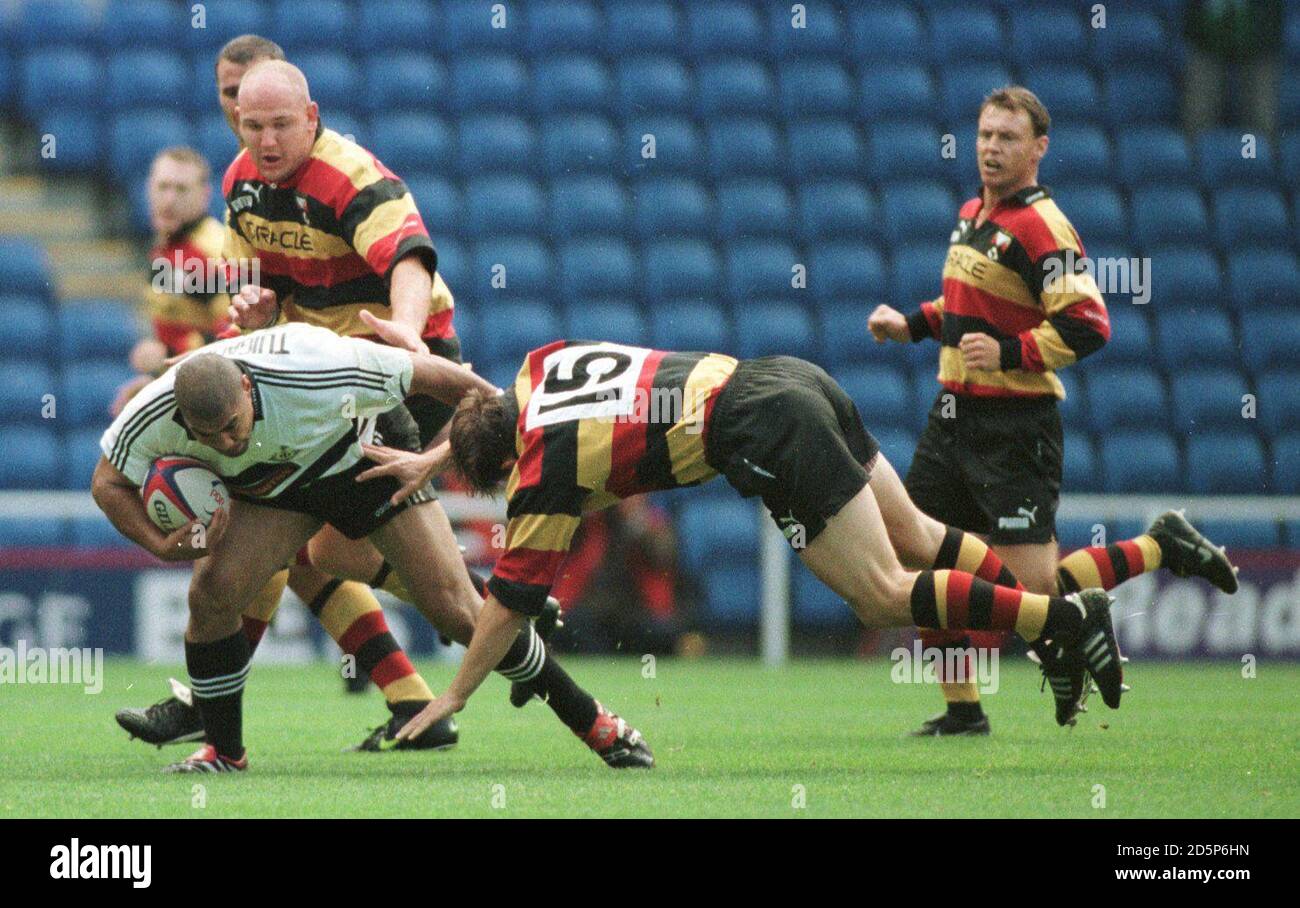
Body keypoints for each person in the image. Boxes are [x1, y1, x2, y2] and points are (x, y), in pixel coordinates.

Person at [355, 339, 1127, 747]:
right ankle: (1057, 632)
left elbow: (511, 604)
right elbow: (483, 402)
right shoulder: (535, 370)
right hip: (787, 376)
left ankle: (1064, 623)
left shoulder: (544, 474)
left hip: (758, 431)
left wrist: (454, 693)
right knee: (921, 535)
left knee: (880, 594)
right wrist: (433, 454)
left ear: (506, 467)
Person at [92, 323, 652, 773]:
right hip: (282, 486)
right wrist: (162, 546)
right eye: (206, 436)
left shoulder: (322, 366)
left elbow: (471, 390)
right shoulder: (157, 408)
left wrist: (434, 459)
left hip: (368, 453)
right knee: (212, 593)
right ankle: (224, 752)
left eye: (232, 427)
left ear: (245, 386)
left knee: (461, 613)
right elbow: (107, 484)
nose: (225, 443)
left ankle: (596, 723)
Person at [114, 36, 463, 754]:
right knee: (311, 550)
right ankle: (413, 691)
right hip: (310, 391)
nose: (252, 121)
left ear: (305, 112)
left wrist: (402, 329)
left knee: (290, 540)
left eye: (272, 113)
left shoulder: (338, 175)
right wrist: (256, 311)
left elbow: (407, 253)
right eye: (235, 103)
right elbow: (258, 304)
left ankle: (209, 704)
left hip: (387, 373)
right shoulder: (240, 193)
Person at [867, 86, 1239, 735]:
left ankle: (1160, 544)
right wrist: (913, 324)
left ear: (1038, 149)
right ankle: (964, 710)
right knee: (919, 560)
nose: (990, 148)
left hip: (1015, 425)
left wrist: (1009, 351)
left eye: (1006, 138)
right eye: (985, 135)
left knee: (1030, 586)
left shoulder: (1044, 226)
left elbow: (1091, 324)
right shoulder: (972, 213)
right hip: (953, 416)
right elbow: (966, 305)